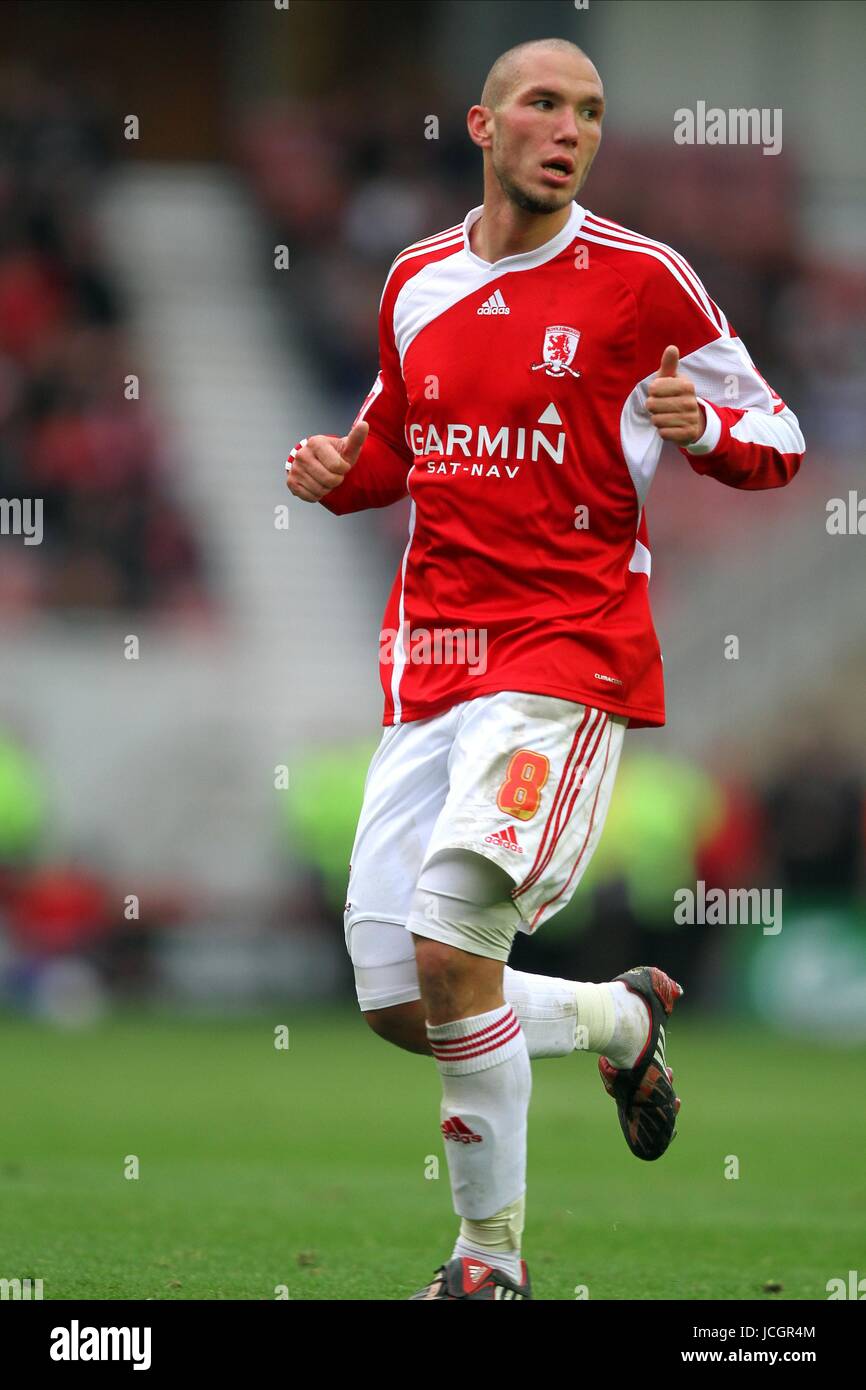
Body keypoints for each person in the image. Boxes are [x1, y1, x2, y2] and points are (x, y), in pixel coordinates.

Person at [285, 37, 805, 1301]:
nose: (567, 127)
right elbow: (396, 443)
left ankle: (486, 1267)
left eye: (587, 110)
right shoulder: (414, 279)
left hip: (563, 658)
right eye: (542, 104)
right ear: (481, 124)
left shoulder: (642, 283)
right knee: (394, 993)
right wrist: (331, 474)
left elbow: (774, 431)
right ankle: (617, 1020)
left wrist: (709, 429)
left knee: (457, 946)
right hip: (433, 668)